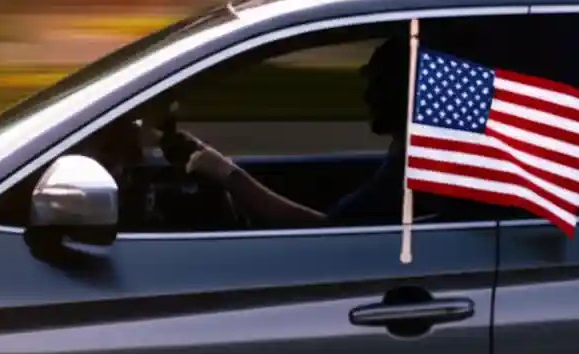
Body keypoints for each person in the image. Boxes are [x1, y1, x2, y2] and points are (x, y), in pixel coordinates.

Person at [163, 35, 411, 228]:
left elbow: (325, 235)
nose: (368, 96)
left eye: (380, 85)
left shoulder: (409, 170)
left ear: (408, 93)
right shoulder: (401, 161)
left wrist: (227, 174)